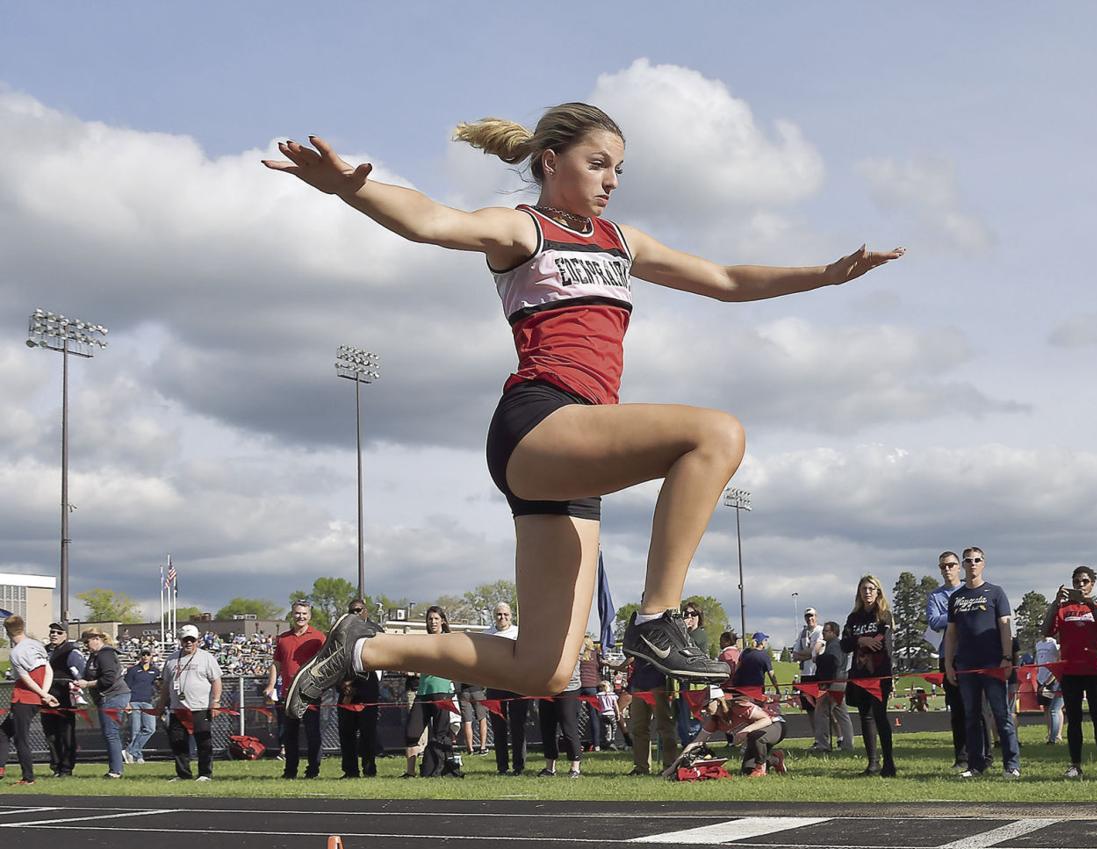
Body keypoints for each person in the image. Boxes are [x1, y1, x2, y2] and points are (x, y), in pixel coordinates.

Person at [268, 105, 902, 722]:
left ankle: (363, 645)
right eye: (598, 164)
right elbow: (432, 220)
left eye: (619, 170)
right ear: (550, 162)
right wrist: (349, 190)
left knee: (543, 668)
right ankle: (656, 617)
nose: (611, 181)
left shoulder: (622, 242)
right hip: (539, 422)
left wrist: (826, 274)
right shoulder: (525, 230)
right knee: (716, 433)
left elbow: (725, 279)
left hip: (577, 448)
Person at [944, 549, 1019, 778]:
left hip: (993, 663)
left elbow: (1006, 626)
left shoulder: (995, 593)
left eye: (976, 560)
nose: (972, 564)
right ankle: (976, 765)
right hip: (966, 665)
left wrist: (1007, 658)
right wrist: (948, 663)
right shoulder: (956, 597)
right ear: (963, 565)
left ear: (983, 563)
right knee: (971, 716)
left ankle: (1011, 765)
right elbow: (951, 633)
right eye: (968, 560)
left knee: (1001, 714)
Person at [1043, 566, 1097, 778]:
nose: (1080, 585)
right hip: (1070, 670)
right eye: (1077, 582)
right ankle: (1075, 765)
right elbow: (1046, 631)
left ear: (1092, 584)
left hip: (1096, 670)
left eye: (1085, 581)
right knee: (1074, 719)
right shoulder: (1064, 609)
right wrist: (1054, 604)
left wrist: (1091, 606)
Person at [842, 575, 897, 777]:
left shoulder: (884, 615)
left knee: (880, 717)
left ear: (878, 591)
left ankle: (889, 763)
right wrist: (862, 640)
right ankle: (872, 762)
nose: (867, 592)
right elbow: (844, 644)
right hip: (859, 673)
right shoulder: (853, 618)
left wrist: (871, 642)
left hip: (880, 673)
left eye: (871, 588)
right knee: (865, 716)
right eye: (864, 588)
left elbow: (885, 643)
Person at [152, 625, 223, 781]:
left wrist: (215, 702)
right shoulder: (171, 659)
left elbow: (216, 681)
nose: (188, 643)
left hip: (200, 707)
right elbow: (166, 685)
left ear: (197, 640)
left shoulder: (206, 658)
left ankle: (205, 773)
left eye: (192, 640)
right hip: (177, 709)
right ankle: (183, 774)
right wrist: (161, 704)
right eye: (185, 640)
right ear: (180, 640)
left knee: (204, 742)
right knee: (178, 743)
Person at [671, 686, 785, 778]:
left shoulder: (738, 706)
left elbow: (766, 719)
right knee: (747, 771)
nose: (704, 709)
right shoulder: (714, 720)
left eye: (706, 705)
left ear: (718, 701)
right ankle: (775, 759)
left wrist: (745, 731)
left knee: (755, 736)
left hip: (776, 724)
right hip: (754, 737)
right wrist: (673, 767)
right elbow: (696, 743)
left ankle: (760, 769)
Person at [266, 602, 324, 779]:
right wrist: (270, 685)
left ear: (310, 616)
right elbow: (276, 664)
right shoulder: (283, 638)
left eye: (304, 614)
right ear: (292, 615)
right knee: (289, 735)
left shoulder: (318, 637)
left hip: (310, 694)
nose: (301, 617)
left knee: (313, 734)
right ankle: (290, 771)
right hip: (288, 694)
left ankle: (313, 770)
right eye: (298, 613)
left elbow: (324, 665)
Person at [925, 550, 971, 772]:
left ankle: (981, 755)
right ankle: (961, 757)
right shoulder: (935, 596)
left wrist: (953, 615)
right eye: (943, 566)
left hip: (973, 655)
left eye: (951, 565)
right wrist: (958, 613)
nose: (947, 569)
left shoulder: (970, 590)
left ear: (959, 567)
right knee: (957, 710)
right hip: (948, 657)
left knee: (978, 709)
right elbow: (934, 621)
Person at [404, 607, 462, 778]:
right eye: (430, 619)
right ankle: (410, 771)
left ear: (443, 620)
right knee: (411, 733)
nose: (433, 622)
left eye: (436, 618)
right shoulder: (423, 640)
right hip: (422, 692)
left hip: (442, 692)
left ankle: (438, 769)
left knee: (440, 735)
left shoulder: (449, 640)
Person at [1, 614, 59, 785]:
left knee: (21, 739)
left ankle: (28, 777)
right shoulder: (37, 645)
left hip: (24, 699)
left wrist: (43, 695)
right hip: (36, 697)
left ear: (7, 632)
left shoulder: (16, 652)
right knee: (3, 732)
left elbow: (26, 679)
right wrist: (45, 694)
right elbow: (48, 671)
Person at [481, 602, 531, 775]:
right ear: (494, 616)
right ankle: (502, 766)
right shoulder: (486, 635)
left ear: (511, 616)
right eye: (499, 615)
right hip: (495, 685)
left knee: (518, 726)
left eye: (505, 614)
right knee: (498, 727)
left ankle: (519, 766)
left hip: (517, 684)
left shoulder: (520, 633)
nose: (502, 618)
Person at [74, 630, 131, 778]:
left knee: (111, 733)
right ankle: (116, 767)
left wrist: (87, 684)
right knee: (110, 733)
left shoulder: (105, 654)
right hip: (105, 697)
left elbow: (109, 678)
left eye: (87, 642)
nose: (86, 645)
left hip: (113, 696)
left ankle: (116, 770)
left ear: (97, 638)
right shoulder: (94, 656)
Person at [337, 598, 381, 778]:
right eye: (352, 611)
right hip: (345, 687)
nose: (355, 613)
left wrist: (354, 681)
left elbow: (379, 658)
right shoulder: (341, 632)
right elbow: (335, 660)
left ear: (365, 611)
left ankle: (370, 769)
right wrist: (342, 683)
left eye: (358, 610)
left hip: (367, 686)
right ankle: (350, 771)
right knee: (346, 733)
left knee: (367, 733)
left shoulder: (375, 631)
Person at [41, 623, 85, 776]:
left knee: (66, 733)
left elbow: (80, 673)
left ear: (65, 635)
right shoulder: (44, 651)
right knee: (50, 734)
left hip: (64, 696)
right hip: (46, 696)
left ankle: (66, 767)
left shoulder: (72, 651)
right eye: (52, 631)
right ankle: (56, 766)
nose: (54, 634)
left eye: (58, 632)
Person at [625, 656, 677, 776]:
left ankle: (670, 766)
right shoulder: (636, 639)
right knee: (639, 728)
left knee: (665, 727)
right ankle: (641, 767)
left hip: (658, 682)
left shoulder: (661, 637)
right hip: (638, 683)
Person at [537, 649, 584, 778]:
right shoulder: (547, 639)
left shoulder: (574, 637)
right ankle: (549, 768)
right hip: (547, 688)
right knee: (547, 729)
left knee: (569, 728)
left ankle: (575, 767)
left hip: (569, 688)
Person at [812, 620, 855, 754]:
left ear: (833, 632)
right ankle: (848, 744)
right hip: (841, 681)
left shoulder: (834, 646)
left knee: (821, 712)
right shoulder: (836, 644)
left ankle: (823, 744)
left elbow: (833, 662)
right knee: (842, 714)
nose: (823, 633)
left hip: (833, 683)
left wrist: (819, 660)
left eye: (826, 630)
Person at [674, 604, 708, 746]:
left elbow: (688, 647)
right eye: (686, 614)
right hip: (684, 681)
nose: (689, 617)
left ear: (699, 617)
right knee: (682, 715)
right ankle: (686, 744)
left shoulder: (699, 633)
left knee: (693, 716)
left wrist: (682, 629)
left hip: (695, 682)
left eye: (693, 614)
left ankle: (695, 744)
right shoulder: (685, 633)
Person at [123, 648, 160, 765]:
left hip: (148, 702)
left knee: (150, 728)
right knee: (135, 730)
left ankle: (131, 751)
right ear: (140, 656)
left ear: (151, 656)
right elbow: (126, 687)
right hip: (134, 701)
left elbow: (159, 685)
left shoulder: (155, 671)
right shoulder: (132, 670)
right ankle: (137, 756)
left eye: (147, 654)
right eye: (143, 654)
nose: (145, 657)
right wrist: (126, 702)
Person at [792, 606, 823, 730]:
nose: (810, 618)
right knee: (809, 708)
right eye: (807, 616)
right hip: (806, 675)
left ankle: (836, 737)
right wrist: (809, 655)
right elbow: (794, 655)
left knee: (822, 708)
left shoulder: (820, 630)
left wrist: (805, 655)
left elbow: (816, 650)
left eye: (812, 616)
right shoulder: (803, 633)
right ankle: (817, 737)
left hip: (818, 673)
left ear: (816, 616)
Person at [1033, 633, 1063, 746]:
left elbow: (1057, 660)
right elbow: (1037, 660)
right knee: (1046, 707)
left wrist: (1051, 678)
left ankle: (1058, 733)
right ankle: (1050, 731)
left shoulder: (1053, 643)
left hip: (1052, 678)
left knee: (1054, 707)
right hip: (1041, 678)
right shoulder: (1039, 644)